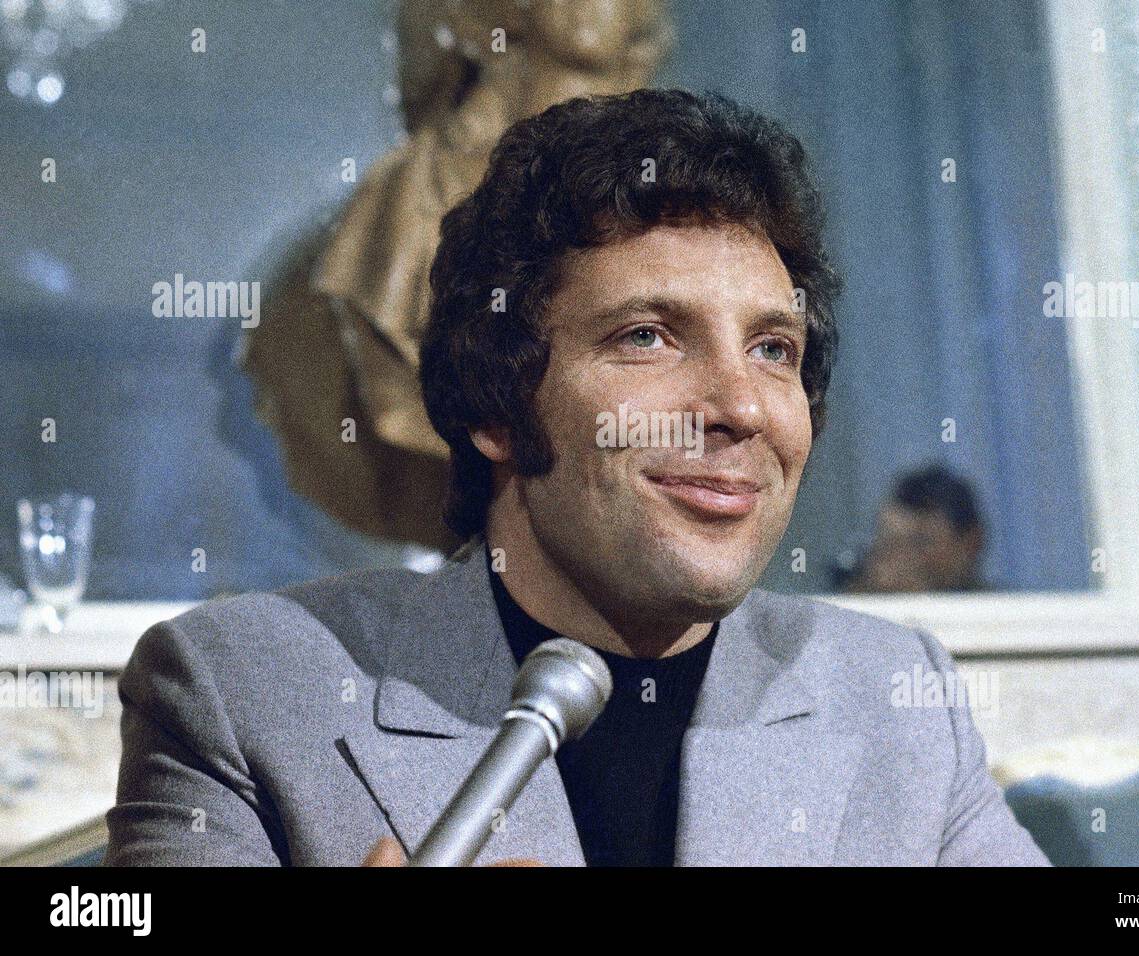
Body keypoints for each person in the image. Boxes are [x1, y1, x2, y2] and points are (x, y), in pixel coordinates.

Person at [105, 89, 1048, 866]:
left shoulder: (894, 695)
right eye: (647, 336)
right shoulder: (243, 693)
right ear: (496, 408)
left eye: (773, 348)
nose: (742, 407)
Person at [843, 465, 988, 593]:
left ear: (971, 542)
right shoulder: (859, 598)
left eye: (921, 542)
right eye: (888, 542)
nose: (900, 557)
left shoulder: (998, 612)